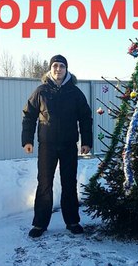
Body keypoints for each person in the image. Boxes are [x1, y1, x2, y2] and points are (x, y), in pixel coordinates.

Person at [22, 55, 93, 238]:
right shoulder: (41, 91)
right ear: (50, 69)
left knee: (69, 183)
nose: (58, 69)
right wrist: (27, 140)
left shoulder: (75, 93)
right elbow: (29, 116)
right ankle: (39, 224)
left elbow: (85, 118)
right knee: (44, 184)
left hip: (69, 145)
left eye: (62, 66)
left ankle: (72, 221)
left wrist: (86, 141)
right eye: (55, 66)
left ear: (66, 69)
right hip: (47, 146)